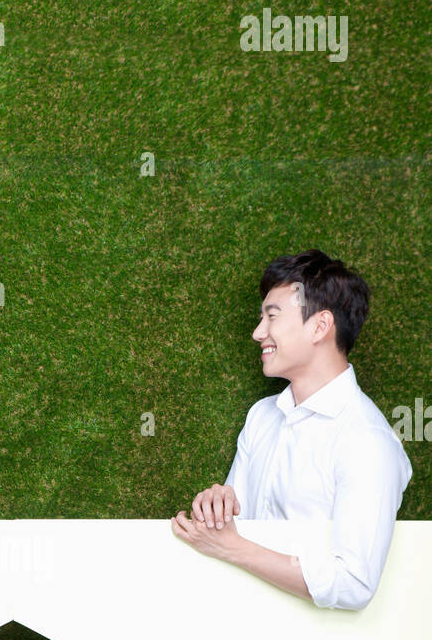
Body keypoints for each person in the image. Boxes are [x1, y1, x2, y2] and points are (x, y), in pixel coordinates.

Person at [170, 249, 412, 613]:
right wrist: (218, 507)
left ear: (319, 326)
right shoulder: (262, 416)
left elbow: (354, 583)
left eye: (272, 317)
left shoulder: (367, 440)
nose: (257, 333)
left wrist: (232, 547)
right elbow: (237, 526)